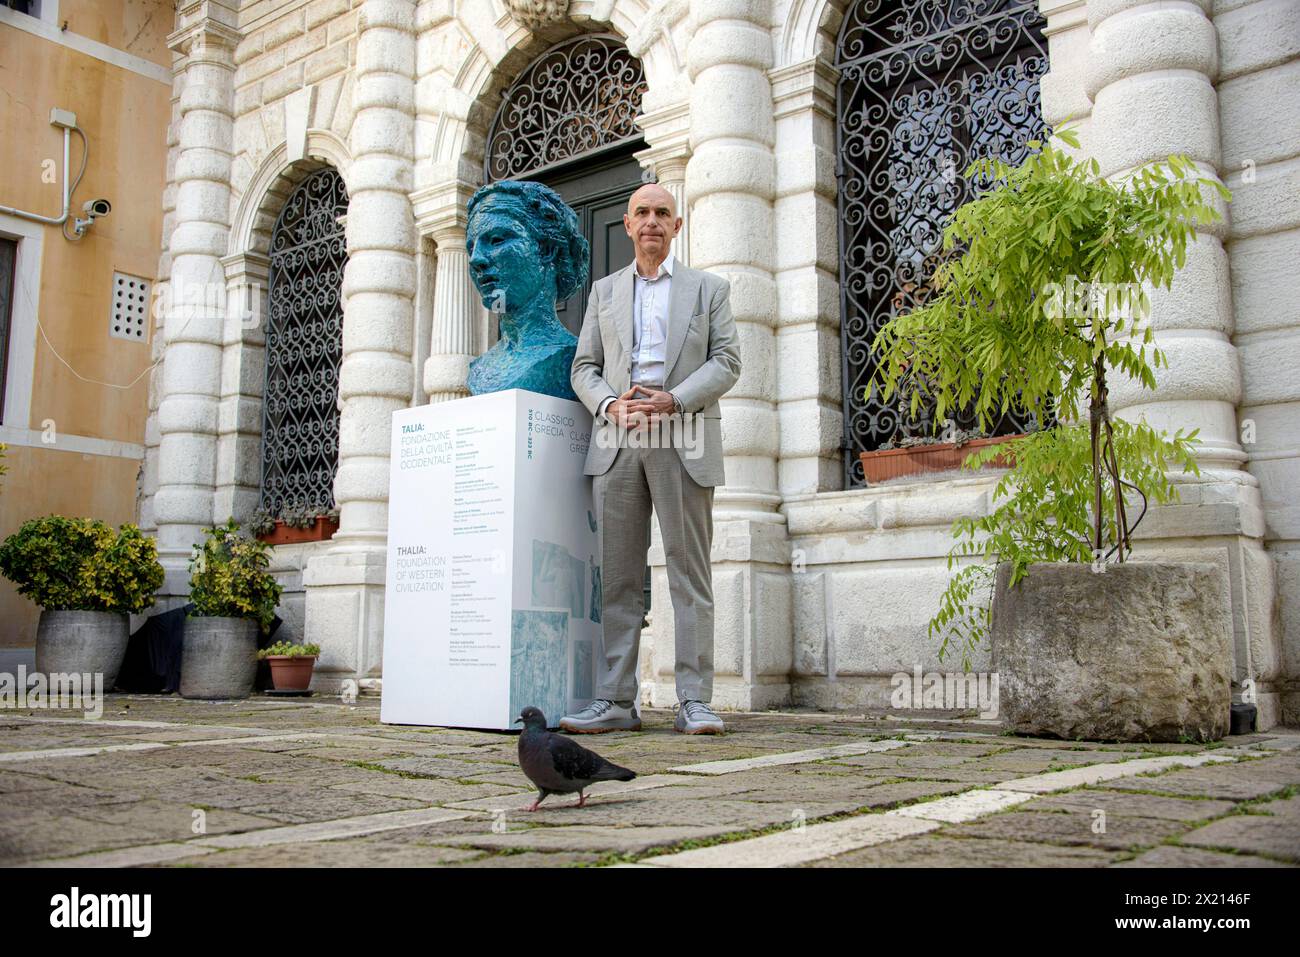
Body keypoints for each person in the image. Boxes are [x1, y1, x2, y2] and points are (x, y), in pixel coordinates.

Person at [563, 183, 741, 735]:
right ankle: (616, 701)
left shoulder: (709, 289)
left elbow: (729, 360)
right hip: (618, 441)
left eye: (663, 213)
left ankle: (694, 700)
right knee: (616, 579)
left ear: (677, 225)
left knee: (689, 575)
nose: (652, 222)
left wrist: (677, 398)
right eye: (642, 212)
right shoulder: (604, 292)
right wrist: (611, 404)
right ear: (626, 222)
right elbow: (582, 368)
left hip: (682, 435)